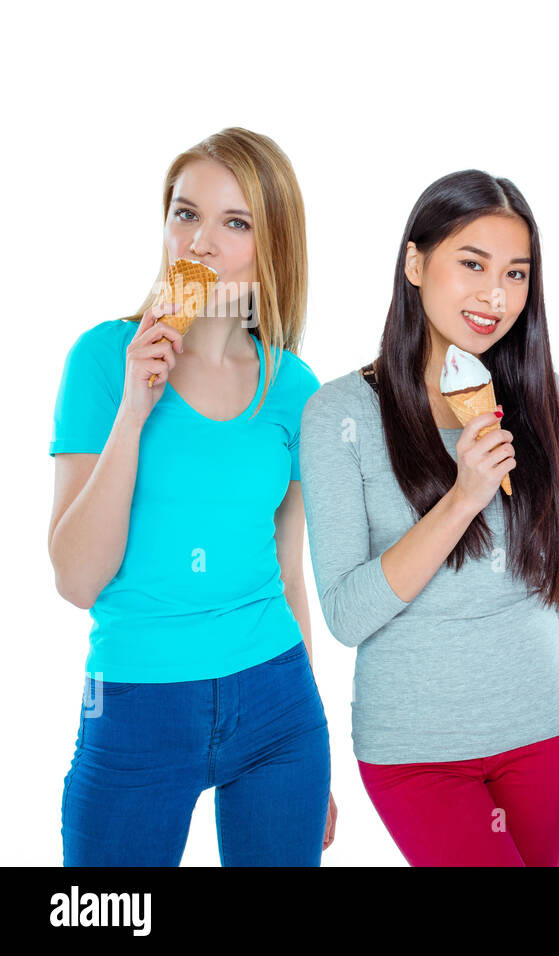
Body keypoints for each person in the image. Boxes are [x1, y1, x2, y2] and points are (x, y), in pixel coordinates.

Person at [299, 170, 559, 866]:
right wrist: (462, 497)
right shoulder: (338, 416)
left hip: (546, 735)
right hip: (415, 752)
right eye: (471, 264)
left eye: (515, 273)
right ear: (415, 263)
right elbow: (347, 616)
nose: (494, 295)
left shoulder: (558, 409)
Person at [50, 128, 335, 866]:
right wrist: (134, 410)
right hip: (135, 706)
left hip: (278, 710)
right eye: (185, 214)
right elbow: (77, 580)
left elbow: (288, 571)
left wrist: (316, 746)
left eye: (233, 223)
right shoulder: (100, 361)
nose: (199, 243)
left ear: (270, 248)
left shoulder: (295, 390)